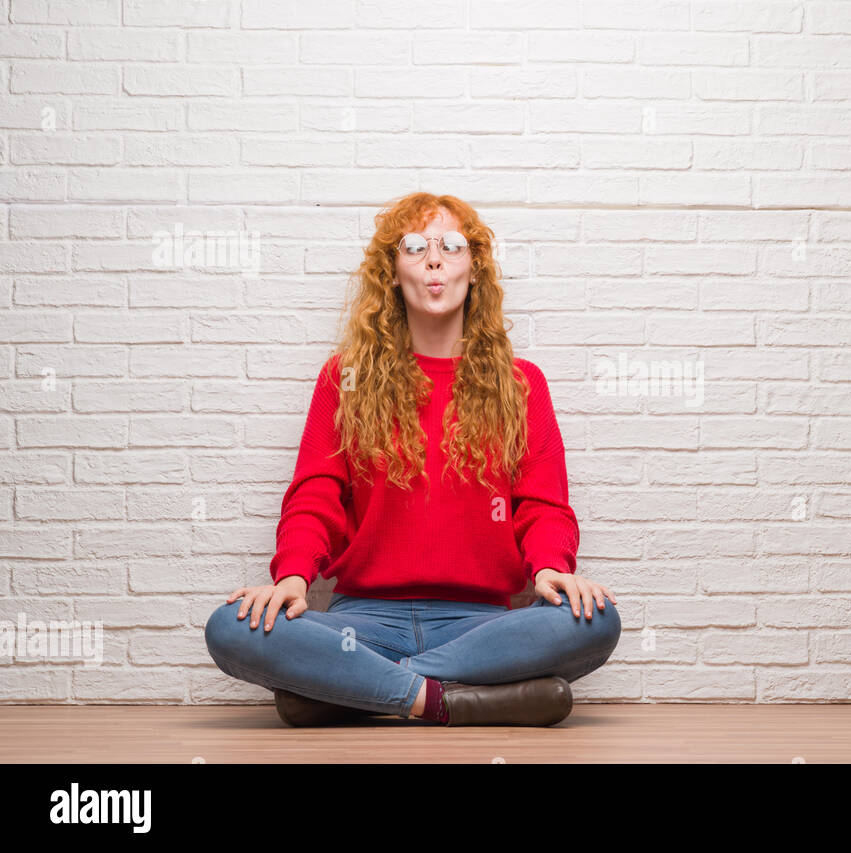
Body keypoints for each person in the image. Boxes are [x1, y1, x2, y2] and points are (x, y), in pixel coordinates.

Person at [204, 192, 620, 727]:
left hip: (482, 626)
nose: (434, 259)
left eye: (451, 245)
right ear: (392, 273)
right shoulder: (345, 378)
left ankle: (351, 686)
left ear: (475, 269)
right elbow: (316, 495)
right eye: (415, 247)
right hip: (362, 622)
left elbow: (543, 505)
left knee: (595, 620)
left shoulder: (522, 384)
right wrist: (292, 578)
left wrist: (550, 567)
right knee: (230, 628)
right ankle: (443, 699)